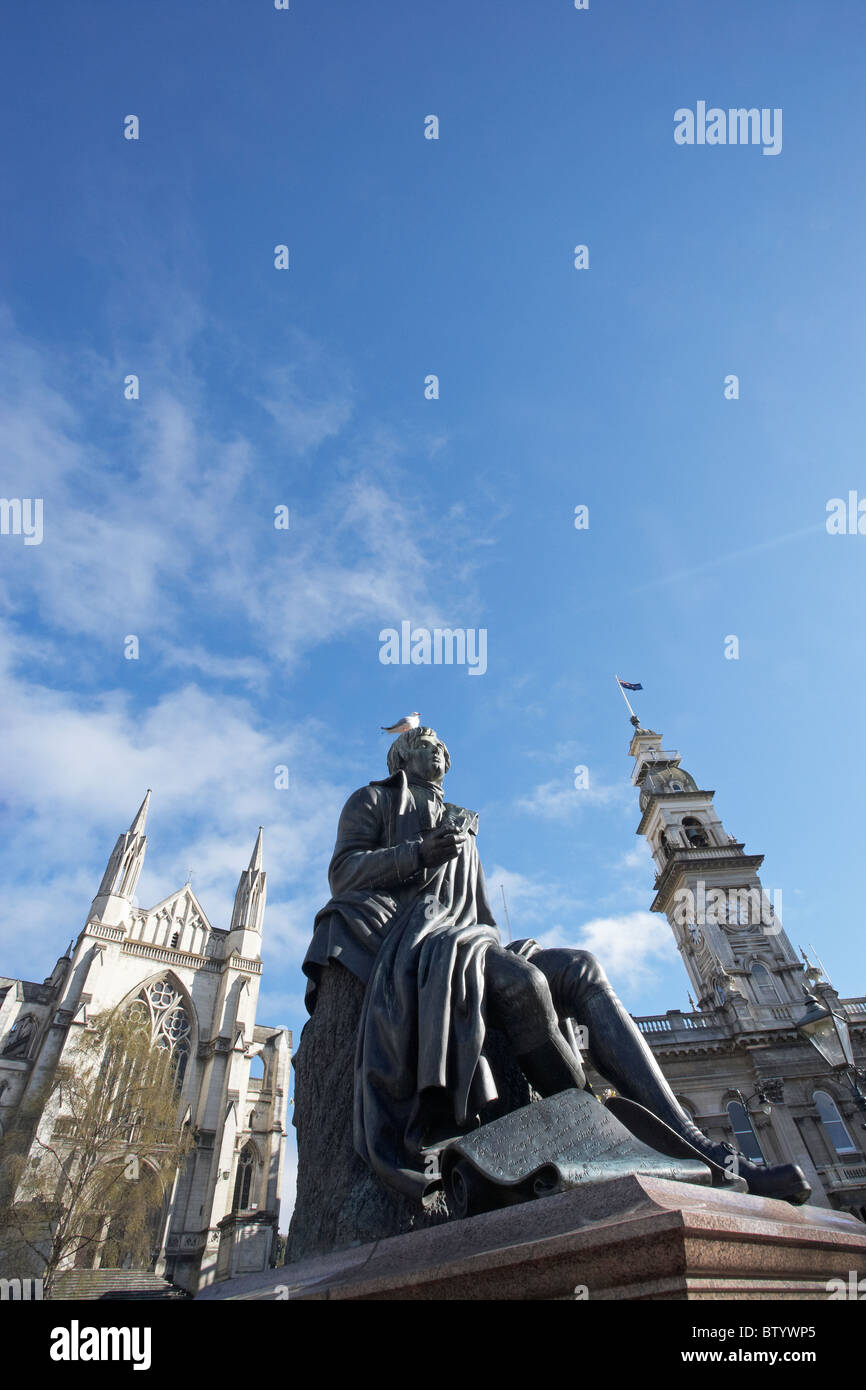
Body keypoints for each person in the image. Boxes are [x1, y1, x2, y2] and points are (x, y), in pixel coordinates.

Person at [302, 726, 810, 1206]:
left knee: (581, 968)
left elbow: (477, 912)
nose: (439, 750)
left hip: (471, 943)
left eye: (443, 746)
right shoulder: (373, 800)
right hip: (416, 946)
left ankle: (701, 1147)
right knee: (524, 984)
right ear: (401, 755)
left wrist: (488, 935)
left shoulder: (461, 820)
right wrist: (418, 853)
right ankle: (592, 1121)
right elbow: (343, 874)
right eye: (426, 742)